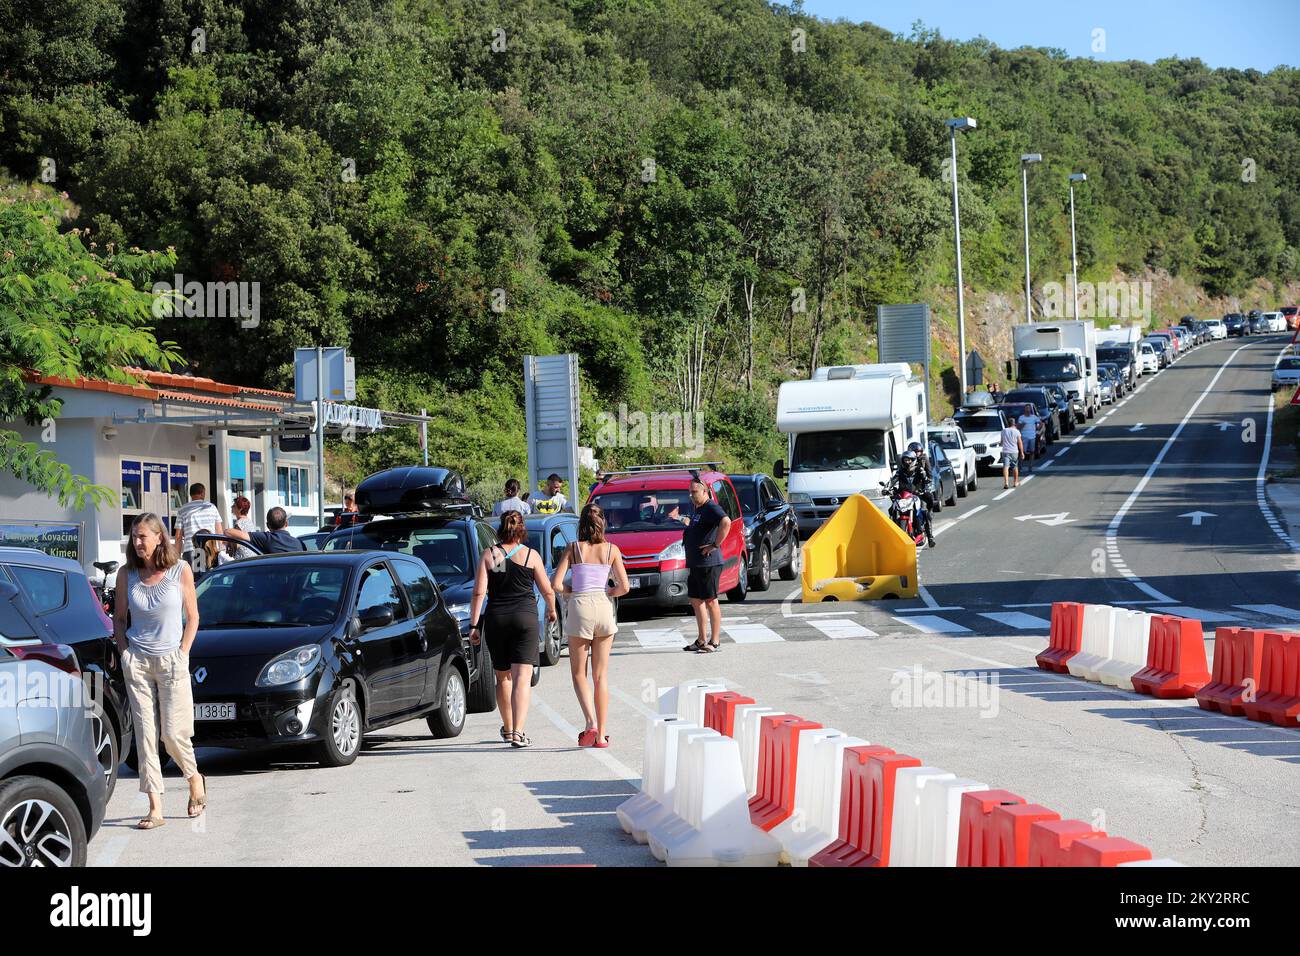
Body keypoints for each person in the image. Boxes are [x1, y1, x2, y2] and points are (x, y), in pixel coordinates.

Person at [114, 513, 206, 829]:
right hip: (137, 662)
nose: (137, 542)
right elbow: (120, 619)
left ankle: (194, 778)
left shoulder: (180, 570)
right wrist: (124, 652)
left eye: (142, 536)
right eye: (134, 536)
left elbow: (193, 617)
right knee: (145, 736)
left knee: (172, 734)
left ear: (158, 537)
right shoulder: (126, 575)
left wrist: (183, 653)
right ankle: (155, 806)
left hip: (172, 661)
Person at [469, 511, 557, 748]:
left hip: (497, 619)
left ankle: (508, 729)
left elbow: (478, 593)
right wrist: (551, 610)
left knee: (503, 677)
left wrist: (474, 625)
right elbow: (547, 590)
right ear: (522, 530)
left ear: (500, 529)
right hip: (525, 619)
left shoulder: (490, 555)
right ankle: (518, 732)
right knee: (522, 678)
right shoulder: (531, 556)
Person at [551, 504, 630, 748]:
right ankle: (602, 735)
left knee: (578, 673)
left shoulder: (574, 549)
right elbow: (624, 587)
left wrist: (570, 591)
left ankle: (589, 722)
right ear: (603, 522)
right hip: (603, 606)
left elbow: (555, 583)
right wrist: (609, 590)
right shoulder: (611, 550)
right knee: (600, 675)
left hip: (580, 605)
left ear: (581, 524)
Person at [682, 477, 730, 653]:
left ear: (705, 491)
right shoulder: (698, 509)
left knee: (711, 601)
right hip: (696, 563)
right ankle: (701, 639)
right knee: (696, 600)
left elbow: (726, 522)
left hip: (708, 563)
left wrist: (715, 545)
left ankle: (715, 641)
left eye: (694, 492)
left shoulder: (711, 507)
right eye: (690, 492)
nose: (691, 495)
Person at [174, 483, 222, 572]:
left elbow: (178, 537)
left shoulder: (182, 510)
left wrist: (177, 557)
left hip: (191, 550)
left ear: (190, 494)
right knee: (210, 579)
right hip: (210, 550)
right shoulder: (212, 507)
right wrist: (221, 551)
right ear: (203, 493)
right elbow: (219, 532)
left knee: (193, 581)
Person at [896, 443, 936, 547]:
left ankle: (930, 536)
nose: (917, 454)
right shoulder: (903, 463)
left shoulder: (923, 460)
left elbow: (929, 476)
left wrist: (927, 485)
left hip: (919, 490)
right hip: (906, 492)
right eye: (915, 452)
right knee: (893, 507)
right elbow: (898, 476)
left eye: (919, 452)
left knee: (924, 512)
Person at [224, 506, 306, 553]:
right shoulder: (300, 544)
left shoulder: (265, 538)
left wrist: (226, 533)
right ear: (286, 523)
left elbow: (230, 532)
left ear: (267, 525)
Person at [219, 495, 257, 564]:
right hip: (253, 558)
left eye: (234, 506)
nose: (231, 507)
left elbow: (236, 545)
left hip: (243, 561)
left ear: (240, 509)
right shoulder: (250, 522)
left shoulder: (239, 524)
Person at [1000, 415, 1024, 489]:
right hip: (1014, 451)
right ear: (1014, 424)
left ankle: (1006, 482)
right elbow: (1020, 442)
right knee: (1015, 467)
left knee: (1006, 467)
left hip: (1005, 451)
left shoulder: (1003, 431)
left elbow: (1001, 442)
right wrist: (1022, 452)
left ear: (1007, 423)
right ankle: (1015, 482)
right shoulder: (1017, 431)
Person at [1017, 403, 1041, 471]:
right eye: (1026, 408)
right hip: (1024, 436)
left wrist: (1038, 428)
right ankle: (1020, 466)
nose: (1027, 409)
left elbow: (1040, 423)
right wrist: (1022, 425)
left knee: (1032, 451)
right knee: (1023, 451)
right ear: (1024, 409)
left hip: (1032, 436)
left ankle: (1030, 466)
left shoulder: (1034, 417)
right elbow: (1018, 427)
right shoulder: (1021, 417)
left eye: (1029, 408)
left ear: (1030, 409)